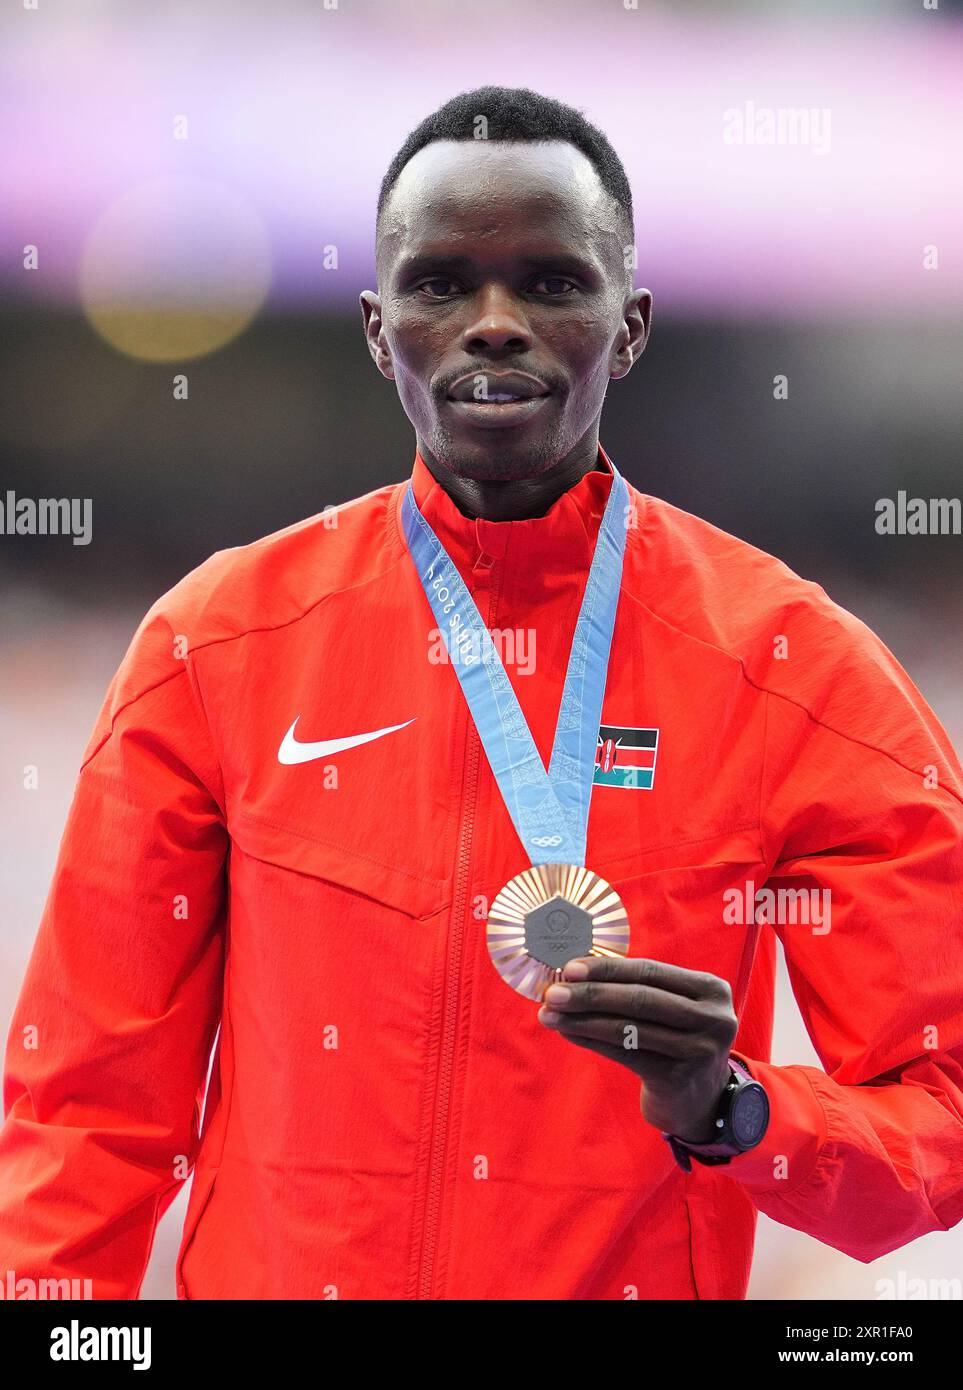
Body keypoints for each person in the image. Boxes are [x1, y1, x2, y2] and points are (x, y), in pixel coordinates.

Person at [1, 85, 962, 1302]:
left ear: (632, 326)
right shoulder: (216, 645)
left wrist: (736, 1109)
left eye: (554, 282)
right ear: (375, 325)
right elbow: (88, 1106)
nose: (494, 324)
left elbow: (944, 1110)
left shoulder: (794, 668)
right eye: (443, 283)